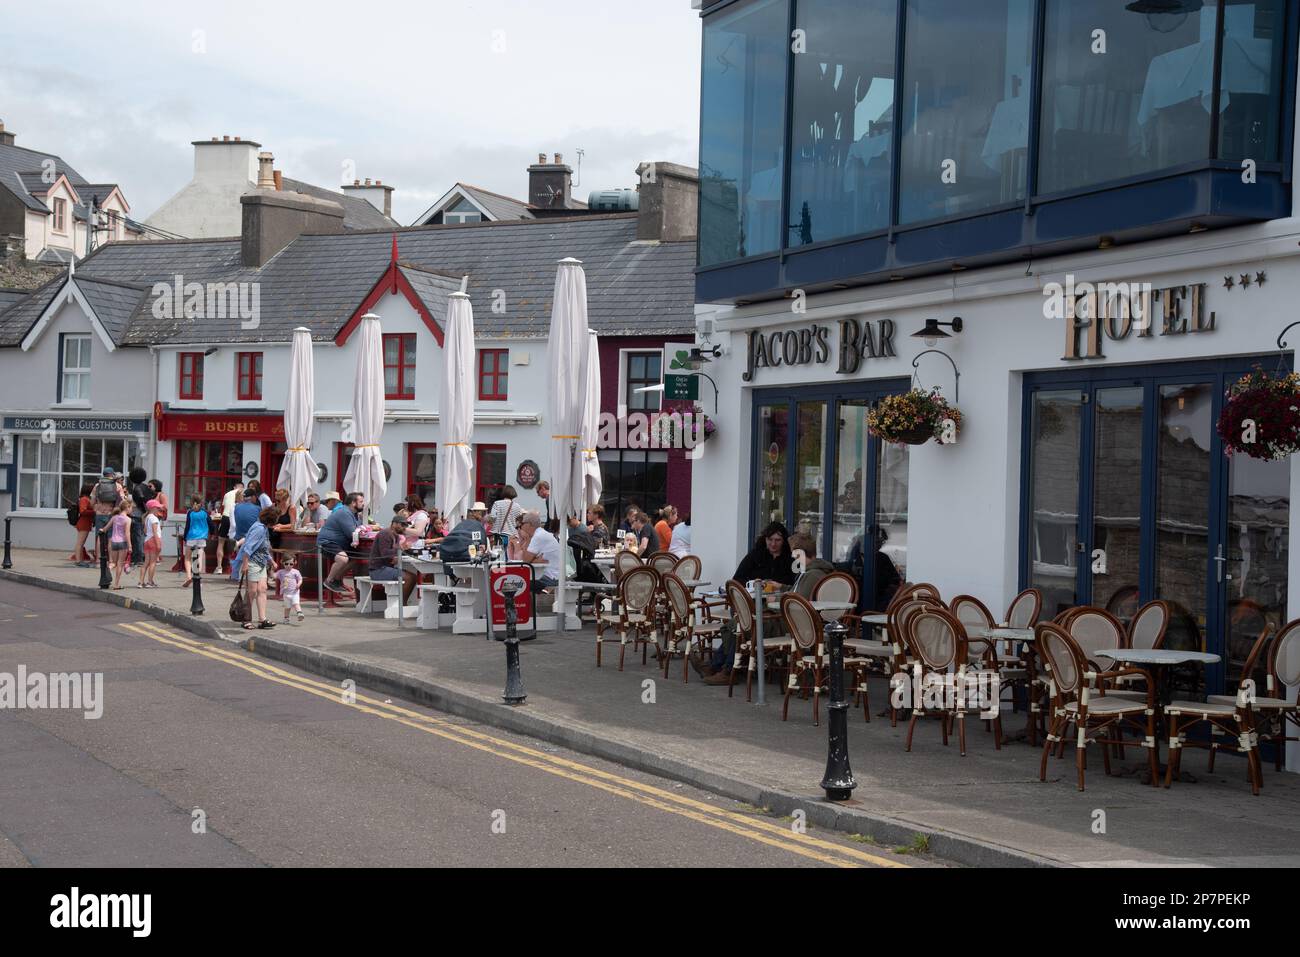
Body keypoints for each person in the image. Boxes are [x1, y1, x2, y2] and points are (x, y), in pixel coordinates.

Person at [233, 506, 278, 629]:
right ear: (270, 520)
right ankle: (246, 619)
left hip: (261, 563)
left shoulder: (263, 528)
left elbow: (263, 547)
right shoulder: (259, 529)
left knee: (262, 589)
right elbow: (248, 547)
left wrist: (271, 561)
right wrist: (245, 563)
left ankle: (262, 620)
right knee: (251, 591)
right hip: (252, 562)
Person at [319, 492, 367, 595]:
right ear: (353, 503)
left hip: (341, 543)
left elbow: (358, 529)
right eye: (361, 501)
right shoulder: (344, 513)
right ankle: (329, 581)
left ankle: (337, 580)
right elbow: (352, 533)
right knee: (343, 559)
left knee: (356, 557)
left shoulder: (355, 514)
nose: (363, 504)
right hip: (328, 542)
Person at [370, 515, 419, 606]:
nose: (404, 528)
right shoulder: (384, 534)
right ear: (394, 524)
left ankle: (402, 603)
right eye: (402, 525)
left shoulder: (395, 536)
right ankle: (402, 605)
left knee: (413, 577)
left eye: (405, 525)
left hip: (385, 567)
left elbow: (391, 554)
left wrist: (398, 554)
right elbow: (385, 553)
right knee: (409, 578)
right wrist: (402, 548)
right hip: (378, 570)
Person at [509, 511, 561, 594]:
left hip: (550, 578)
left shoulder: (538, 536)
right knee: (517, 582)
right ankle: (526, 606)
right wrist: (535, 560)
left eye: (521, 524)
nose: (519, 527)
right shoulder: (540, 534)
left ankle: (522, 607)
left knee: (512, 585)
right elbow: (527, 559)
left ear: (529, 524)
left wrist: (527, 539)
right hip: (553, 575)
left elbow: (525, 561)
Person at [733, 521, 797, 586]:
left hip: (782, 595)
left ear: (784, 540)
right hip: (756, 594)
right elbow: (737, 579)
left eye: (778, 540)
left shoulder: (791, 558)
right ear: (765, 539)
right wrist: (753, 584)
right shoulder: (755, 554)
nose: (773, 544)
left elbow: (797, 584)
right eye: (770, 539)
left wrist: (781, 586)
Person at [789, 532, 835, 599]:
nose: (792, 556)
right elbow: (797, 591)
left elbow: (799, 601)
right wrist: (781, 586)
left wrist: (775, 599)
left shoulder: (812, 575)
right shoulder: (811, 570)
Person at [215, 479, 245, 573]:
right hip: (236, 518)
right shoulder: (244, 493)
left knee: (221, 543)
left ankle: (219, 567)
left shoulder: (227, 494)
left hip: (225, 517)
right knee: (238, 542)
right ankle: (236, 567)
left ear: (234, 487)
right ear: (242, 487)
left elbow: (224, 508)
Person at [181, 496, 210, 587]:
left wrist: (185, 538)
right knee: (199, 558)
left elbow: (187, 526)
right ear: (202, 502)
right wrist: (211, 532)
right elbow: (211, 524)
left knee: (188, 558)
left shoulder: (190, 513)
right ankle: (197, 578)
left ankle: (189, 577)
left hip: (191, 537)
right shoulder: (205, 513)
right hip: (202, 538)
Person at [91, 468, 122, 551]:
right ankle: (111, 561)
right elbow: (122, 501)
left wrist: (96, 509)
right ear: (112, 474)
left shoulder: (97, 485)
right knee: (110, 537)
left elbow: (92, 502)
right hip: (112, 514)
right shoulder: (117, 485)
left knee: (99, 537)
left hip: (99, 514)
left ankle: (98, 561)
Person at [139, 498, 164, 588]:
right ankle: (150, 582)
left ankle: (141, 582)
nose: (159, 509)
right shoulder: (154, 518)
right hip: (154, 540)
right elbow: (155, 532)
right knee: (153, 562)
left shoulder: (147, 518)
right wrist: (158, 544)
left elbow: (145, 531)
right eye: (157, 508)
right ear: (152, 508)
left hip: (147, 540)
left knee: (146, 562)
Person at [107, 500, 132, 590]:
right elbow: (127, 533)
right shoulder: (128, 519)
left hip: (114, 542)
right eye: (131, 507)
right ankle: (116, 584)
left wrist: (102, 530)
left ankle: (107, 571)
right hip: (122, 543)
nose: (131, 510)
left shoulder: (114, 517)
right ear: (127, 508)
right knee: (120, 564)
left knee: (113, 563)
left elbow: (106, 528)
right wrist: (130, 545)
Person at [71, 482, 95, 566]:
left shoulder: (85, 498)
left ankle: (80, 560)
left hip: (85, 522)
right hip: (83, 522)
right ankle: (78, 561)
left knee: (81, 543)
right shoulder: (84, 499)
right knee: (80, 543)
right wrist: (94, 512)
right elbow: (83, 511)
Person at [276, 553, 305, 624]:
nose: (288, 566)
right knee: (287, 607)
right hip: (286, 593)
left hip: (295, 592)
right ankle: (286, 618)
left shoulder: (295, 572)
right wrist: (270, 572)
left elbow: (300, 579)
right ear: (282, 562)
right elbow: (274, 576)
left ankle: (299, 613)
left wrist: (298, 584)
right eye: (286, 564)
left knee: (296, 603)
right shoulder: (281, 572)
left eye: (291, 564)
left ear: (294, 563)